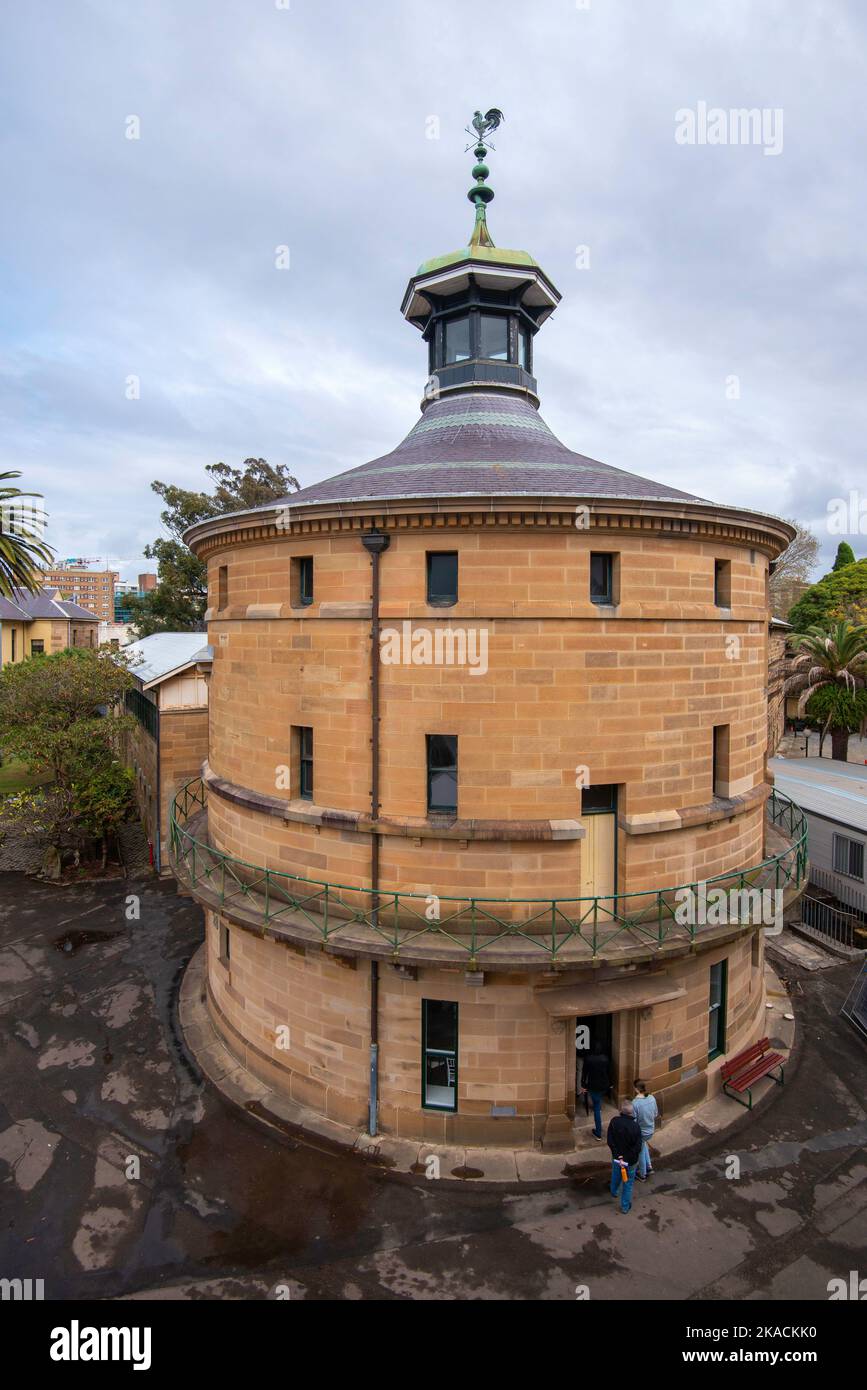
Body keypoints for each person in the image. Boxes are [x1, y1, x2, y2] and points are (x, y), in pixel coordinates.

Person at [607, 1101, 643, 1214]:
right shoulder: (635, 1127)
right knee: (628, 1183)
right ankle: (625, 1206)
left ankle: (614, 1191)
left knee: (616, 1174)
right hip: (630, 1160)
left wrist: (619, 1155)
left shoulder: (614, 1122)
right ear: (631, 1113)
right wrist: (626, 1157)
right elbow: (637, 1147)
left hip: (617, 1157)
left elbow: (610, 1141)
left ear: (621, 1111)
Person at [580, 1045, 610, 1140]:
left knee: (596, 1107)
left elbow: (584, 1073)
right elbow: (608, 1071)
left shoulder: (589, 1059)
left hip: (593, 1086)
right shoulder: (605, 1058)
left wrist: (583, 1085)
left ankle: (598, 1132)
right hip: (603, 1085)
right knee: (597, 1103)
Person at [632, 1078, 659, 1180]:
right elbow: (655, 1114)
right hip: (650, 1129)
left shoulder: (635, 1103)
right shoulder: (652, 1098)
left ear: (636, 1089)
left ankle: (642, 1174)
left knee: (640, 1152)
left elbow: (634, 1121)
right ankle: (649, 1167)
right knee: (643, 1145)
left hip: (641, 1132)